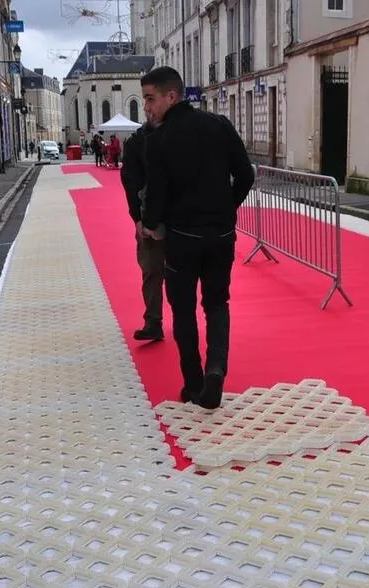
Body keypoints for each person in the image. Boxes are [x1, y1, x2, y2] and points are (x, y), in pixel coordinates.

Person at [140, 66, 254, 409]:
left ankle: (193, 381)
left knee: (184, 310)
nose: (146, 107)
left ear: (171, 96)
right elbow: (245, 175)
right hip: (220, 235)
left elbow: (156, 196)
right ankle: (217, 368)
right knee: (218, 303)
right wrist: (226, 207)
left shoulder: (158, 140)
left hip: (182, 238)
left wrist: (149, 223)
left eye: (150, 98)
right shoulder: (219, 125)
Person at [120, 121, 164, 342]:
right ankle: (153, 321)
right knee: (151, 270)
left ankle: (182, 321)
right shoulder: (138, 140)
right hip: (148, 217)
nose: (147, 107)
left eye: (150, 100)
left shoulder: (182, 134)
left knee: (181, 274)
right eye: (145, 101)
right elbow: (130, 180)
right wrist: (137, 217)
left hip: (181, 219)